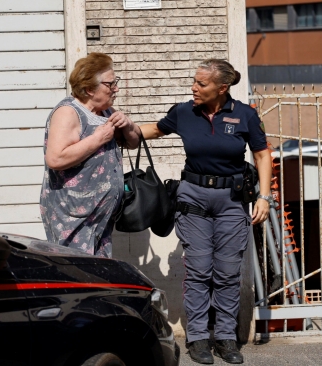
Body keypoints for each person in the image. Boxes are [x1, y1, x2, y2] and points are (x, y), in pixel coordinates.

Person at [134, 59, 273, 365]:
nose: (194, 88)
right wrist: (115, 131)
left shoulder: (245, 115)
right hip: (193, 198)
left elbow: (263, 155)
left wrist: (264, 196)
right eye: (194, 82)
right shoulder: (184, 112)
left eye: (201, 84)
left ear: (222, 88)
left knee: (226, 272)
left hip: (233, 201)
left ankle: (225, 338)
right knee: (198, 271)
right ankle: (197, 338)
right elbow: (153, 130)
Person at [40, 52, 132, 258]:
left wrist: (128, 126)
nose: (116, 88)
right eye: (110, 84)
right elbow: (55, 158)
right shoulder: (68, 113)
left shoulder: (105, 111)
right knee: (77, 273)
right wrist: (98, 139)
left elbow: (132, 142)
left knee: (98, 275)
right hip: (74, 217)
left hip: (99, 216)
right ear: (90, 89)